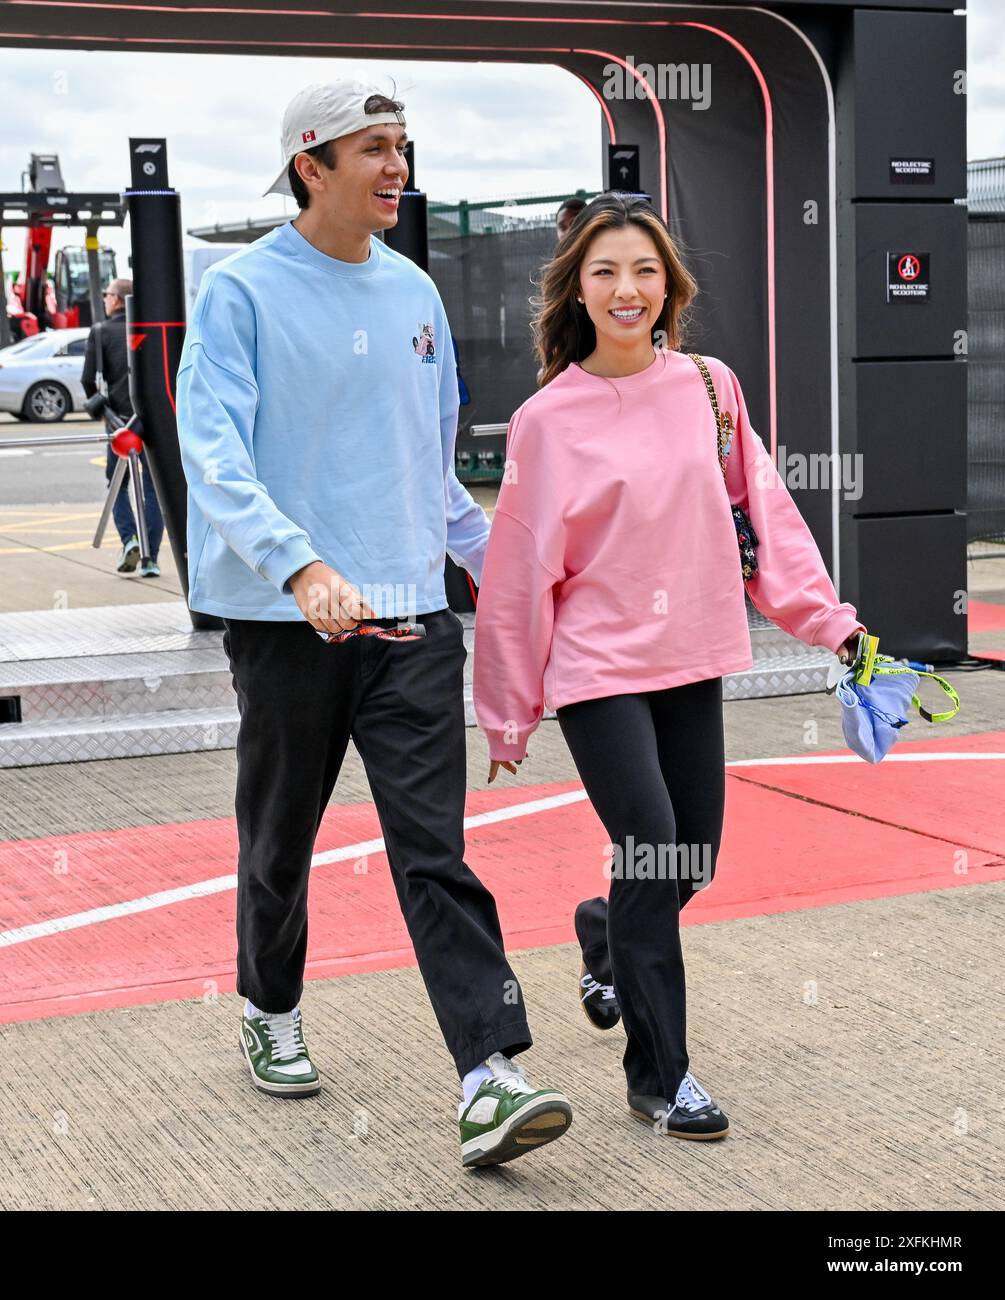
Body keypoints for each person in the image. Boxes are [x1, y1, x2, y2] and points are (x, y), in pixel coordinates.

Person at [175, 78, 573, 1168]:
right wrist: (299, 566)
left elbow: (431, 471)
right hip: (285, 621)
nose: (397, 168)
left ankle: (490, 1073)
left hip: (409, 618)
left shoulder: (412, 292)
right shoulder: (240, 292)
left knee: (434, 852)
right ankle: (269, 1006)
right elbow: (213, 454)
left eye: (402, 146)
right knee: (279, 842)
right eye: (373, 149)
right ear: (310, 167)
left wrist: (507, 575)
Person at [472, 191, 866, 1141]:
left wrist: (831, 623)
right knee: (651, 848)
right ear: (576, 289)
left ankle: (602, 934)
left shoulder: (709, 388)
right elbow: (519, 575)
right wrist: (508, 710)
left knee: (690, 860)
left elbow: (765, 514)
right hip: (598, 669)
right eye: (605, 271)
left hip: (693, 653)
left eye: (645, 270)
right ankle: (662, 1077)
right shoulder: (545, 421)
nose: (628, 288)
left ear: (669, 286)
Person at [80, 277, 165, 577]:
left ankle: (129, 540)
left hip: (119, 426)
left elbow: (87, 380)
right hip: (152, 423)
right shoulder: (150, 328)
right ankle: (150, 558)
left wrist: (101, 407)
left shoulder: (100, 331)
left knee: (117, 484)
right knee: (153, 489)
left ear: (116, 299)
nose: (104, 299)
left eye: (107, 294)